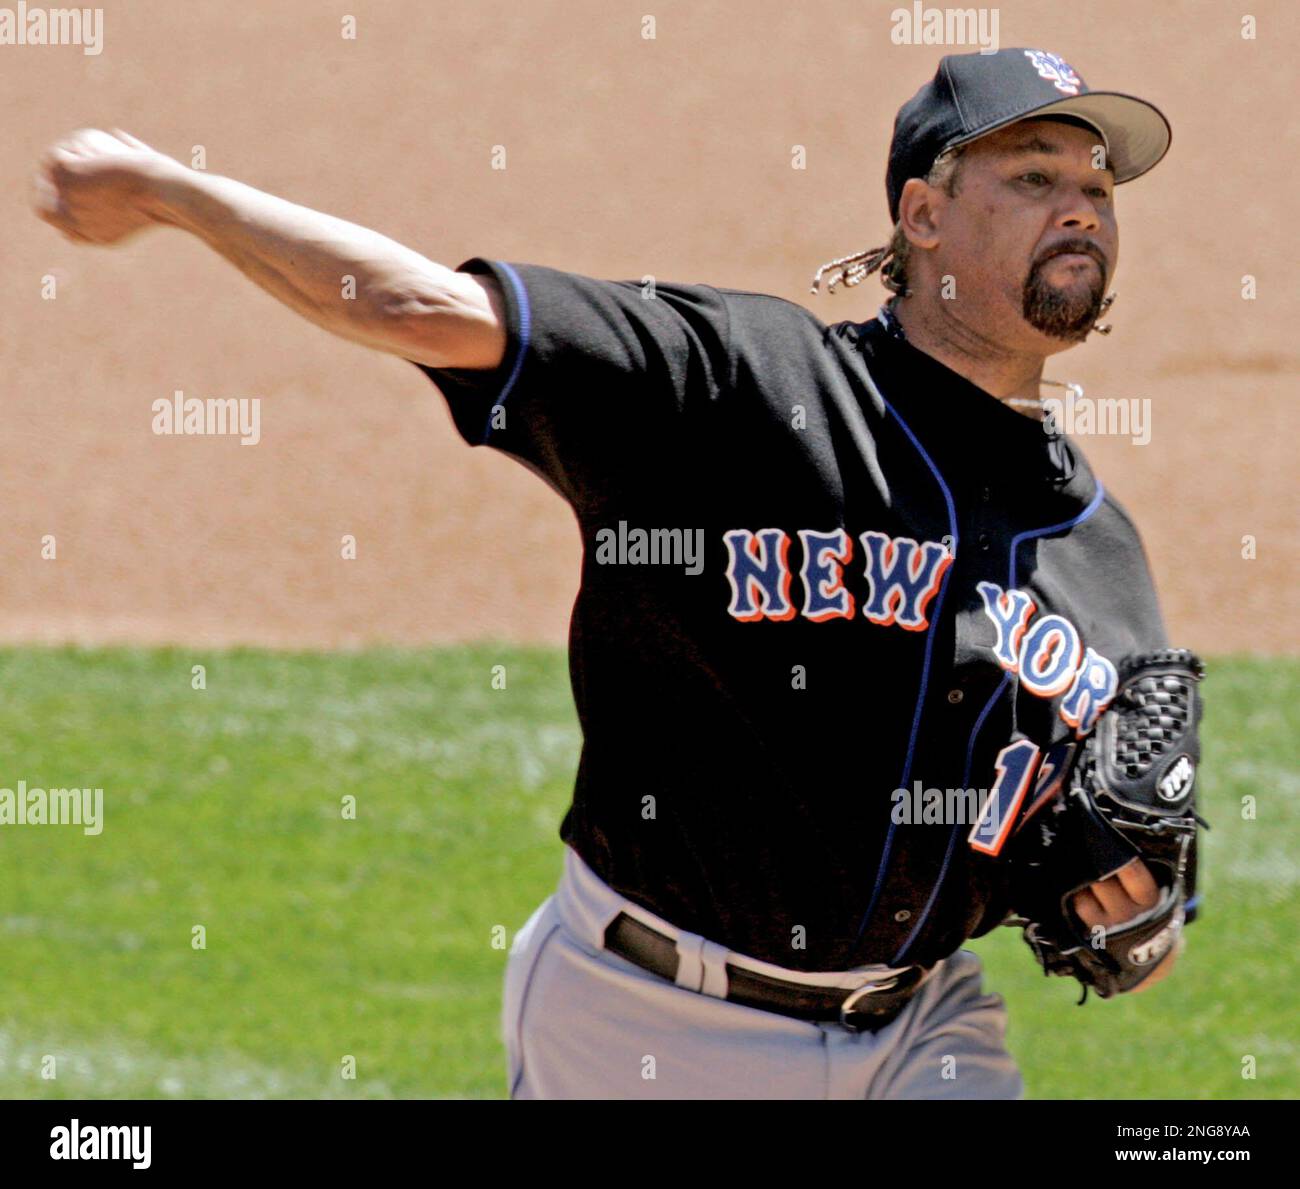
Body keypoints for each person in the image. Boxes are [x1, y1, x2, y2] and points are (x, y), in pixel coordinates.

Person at [33, 46, 1199, 1100]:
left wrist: (1134, 914)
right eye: (1034, 178)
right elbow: (425, 309)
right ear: (922, 214)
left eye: (1097, 190)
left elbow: (1134, 893)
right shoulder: (741, 384)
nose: (1080, 211)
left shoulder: (1098, 546)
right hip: (646, 1022)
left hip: (925, 1032)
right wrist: (171, 193)